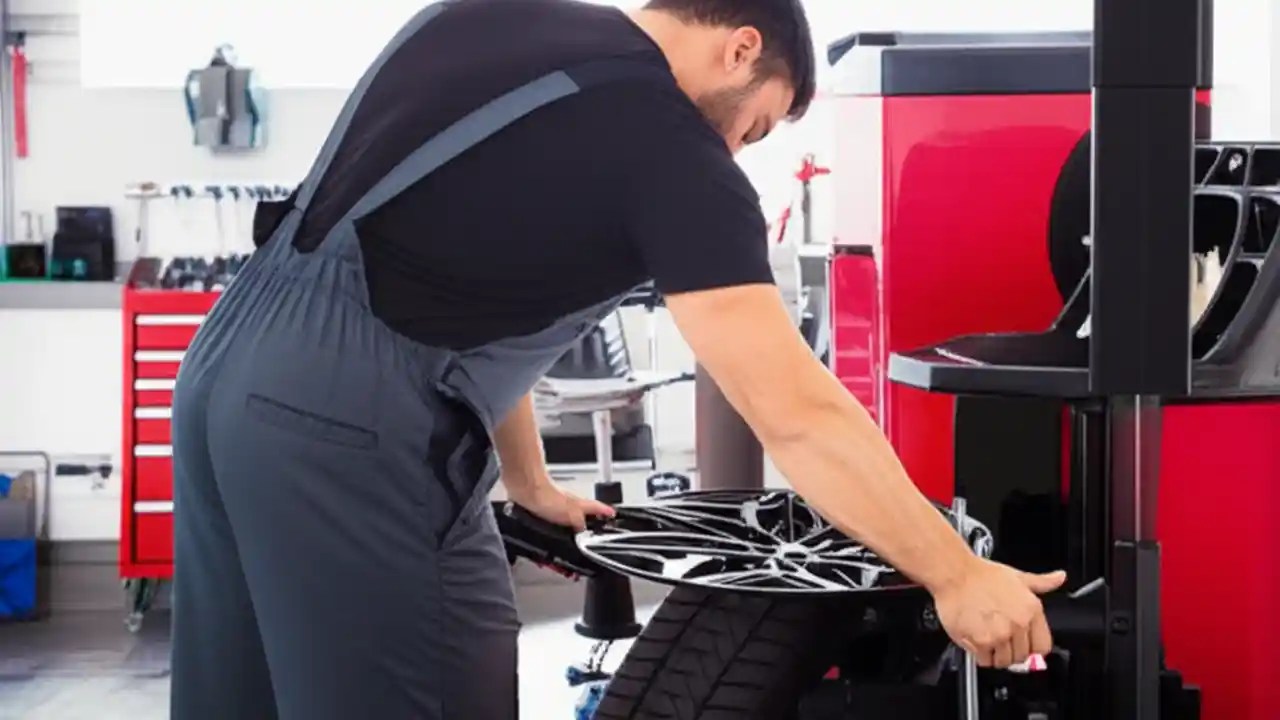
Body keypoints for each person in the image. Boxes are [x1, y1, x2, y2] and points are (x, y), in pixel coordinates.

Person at [169, 0, 1067, 717]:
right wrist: (956, 575)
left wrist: (527, 480)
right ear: (741, 49)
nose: (736, 152)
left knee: (241, 697)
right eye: (754, 129)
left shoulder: (479, 21)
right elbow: (795, 412)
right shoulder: (673, 149)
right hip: (346, 430)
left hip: (222, 379)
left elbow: (458, 286)